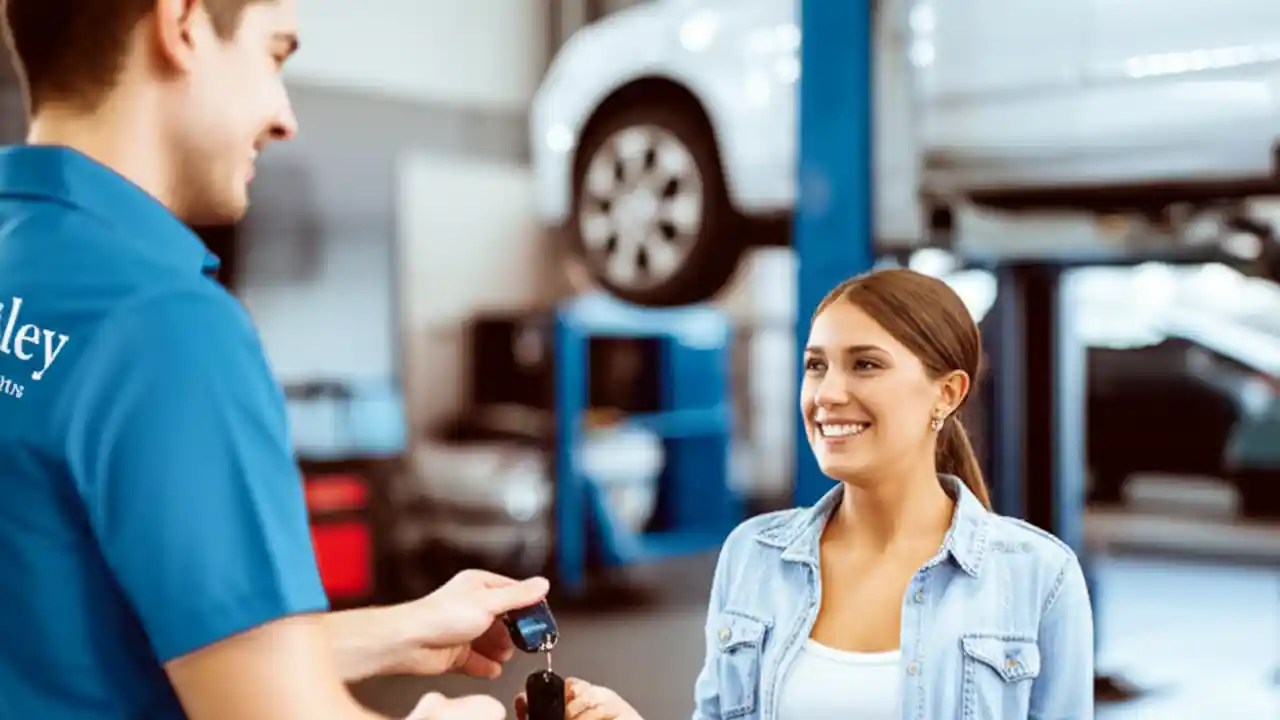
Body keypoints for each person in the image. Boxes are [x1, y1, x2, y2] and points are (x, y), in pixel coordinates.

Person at [0, 1, 539, 718]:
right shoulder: (165, 325)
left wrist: (395, 629)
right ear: (183, 23)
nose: (284, 115)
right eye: (273, 55)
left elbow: (78, 641)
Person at [529, 268, 1095, 720]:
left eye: (865, 365)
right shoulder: (753, 554)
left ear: (945, 393)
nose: (828, 393)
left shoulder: (1038, 577)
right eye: (815, 366)